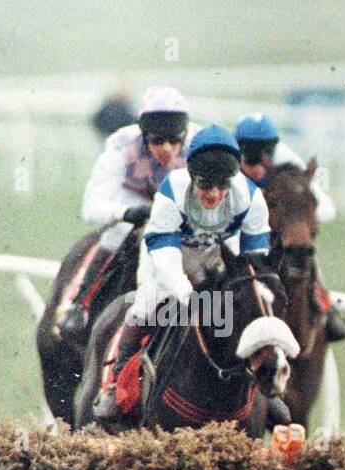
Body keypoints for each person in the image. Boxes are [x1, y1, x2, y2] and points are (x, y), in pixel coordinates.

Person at [93, 126, 271, 422]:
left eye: (221, 186)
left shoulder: (251, 197)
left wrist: (243, 284)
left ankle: (268, 387)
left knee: (258, 302)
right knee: (147, 305)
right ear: (191, 175)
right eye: (204, 185)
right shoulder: (172, 190)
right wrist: (186, 292)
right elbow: (164, 254)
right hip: (165, 255)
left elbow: (255, 255)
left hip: (217, 254)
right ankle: (113, 386)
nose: (213, 194)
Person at [60, 87, 198, 341]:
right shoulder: (123, 144)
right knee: (116, 233)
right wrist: (125, 212)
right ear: (143, 135)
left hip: (181, 206)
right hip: (136, 199)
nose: (166, 149)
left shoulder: (202, 145)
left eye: (174, 140)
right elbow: (90, 206)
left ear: (185, 135)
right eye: (156, 141)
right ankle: (81, 303)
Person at [233, 113, 345, 342]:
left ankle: (328, 309)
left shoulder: (289, 161)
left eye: (264, 154)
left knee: (303, 251)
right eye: (250, 157)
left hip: (273, 229)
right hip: (236, 226)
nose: (258, 166)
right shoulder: (228, 161)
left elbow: (324, 207)